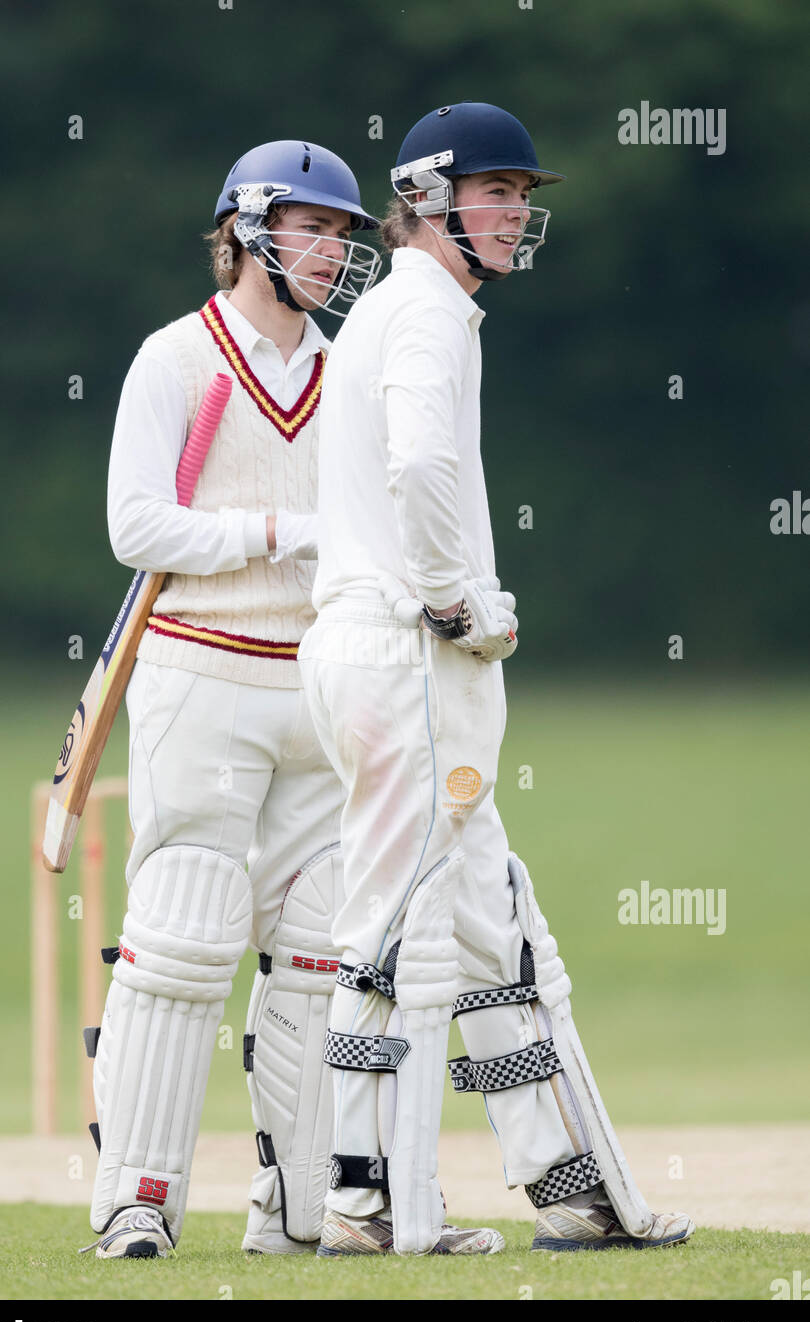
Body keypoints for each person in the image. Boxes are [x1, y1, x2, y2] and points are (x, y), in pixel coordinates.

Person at [298, 101, 695, 1256]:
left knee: (492, 928)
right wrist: (452, 598)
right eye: (496, 193)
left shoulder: (392, 311)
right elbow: (418, 463)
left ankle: (572, 1189)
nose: (517, 215)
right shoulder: (423, 311)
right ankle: (369, 1205)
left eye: (523, 197)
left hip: (375, 651)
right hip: (407, 652)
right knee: (396, 924)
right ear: (427, 199)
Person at [81, 140, 381, 1258]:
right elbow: (135, 527)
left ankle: (299, 1211)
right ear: (248, 228)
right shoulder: (175, 359)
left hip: (320, 683)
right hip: (200, 671)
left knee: (315, 947)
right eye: (311, 227)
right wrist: (274, 531)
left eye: (344, 233)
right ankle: (137, 1201)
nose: (332, 252)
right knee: (184, 937)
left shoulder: (348, 372)